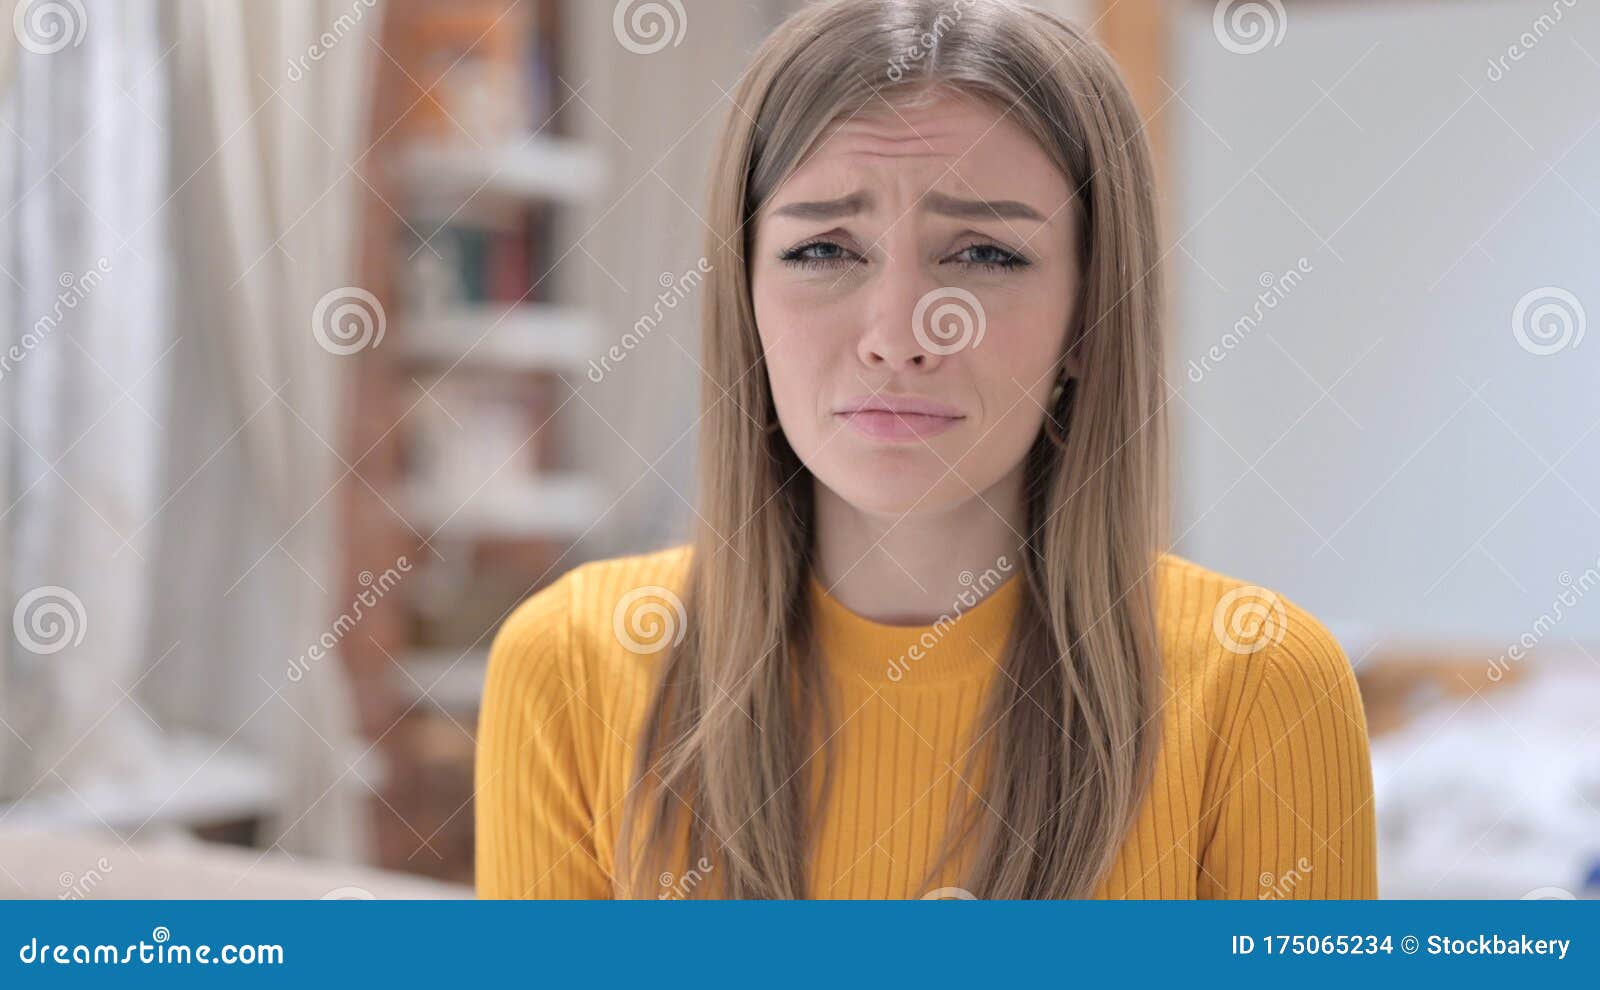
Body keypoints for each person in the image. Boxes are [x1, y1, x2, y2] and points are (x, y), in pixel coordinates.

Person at [476, 0, 1377, 900]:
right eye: (824, 247)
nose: (901, 333)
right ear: (743, 300)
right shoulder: (569, 666)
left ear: (1088, 316)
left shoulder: (1260, 683)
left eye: (984, 254)